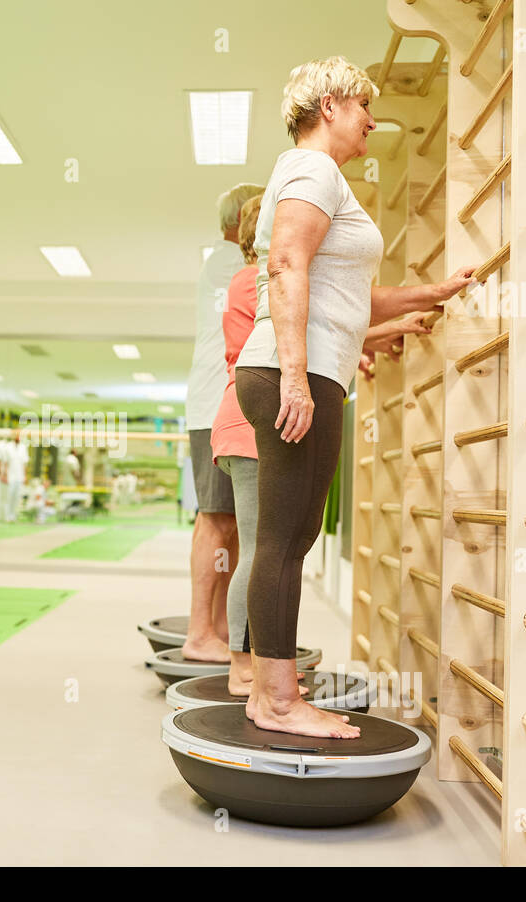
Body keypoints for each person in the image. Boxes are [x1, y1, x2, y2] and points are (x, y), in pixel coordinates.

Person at [234, 56, 475, 738]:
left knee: (291, 536)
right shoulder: (312, 170)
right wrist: (292, 374)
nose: (372, 119)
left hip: (308, 370)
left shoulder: (321, 177)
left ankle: (272, 688)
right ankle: (275, 700)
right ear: (330, 106)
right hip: (293, 373)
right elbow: (285, 264)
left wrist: (433, 293)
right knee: (284, 541)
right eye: (363, 106)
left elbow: (347, 297)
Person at [213, 193, 431, 696]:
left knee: (268, 545)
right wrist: (395, 320)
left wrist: (387, 331)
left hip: (251, 422)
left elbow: (323, 328)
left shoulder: (262, 280)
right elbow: (311, 321)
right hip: (251, 424)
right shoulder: (259, 279)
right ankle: (244, 667)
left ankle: (257, 664)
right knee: (262, 547)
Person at [182, 181, 265, 663]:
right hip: (218, 403)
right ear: (243, 221)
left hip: (219, 403)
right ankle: (199, 632)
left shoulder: (228, 263)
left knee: (229, 522)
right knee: (216, 520)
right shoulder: (234, 265)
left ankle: (216, 627)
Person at [7, 435, 30, 522]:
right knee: (9, 496)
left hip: (19, 476)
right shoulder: (8, 446)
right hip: (10, 475)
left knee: (17, 497)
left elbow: (25, 463)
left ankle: (14, 516)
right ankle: (7, 516)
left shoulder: (23, 447)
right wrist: (4, 474)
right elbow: (6, 462)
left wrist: (25, 476)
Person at [0, 435, 13, 522]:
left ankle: (5, 517)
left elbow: (7, 462)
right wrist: (1, 474)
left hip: (8, 475)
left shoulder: (8, 446)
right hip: (1, 476)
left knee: (7, 497)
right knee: (0, 497)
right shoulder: (0, 445)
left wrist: (5, 474)